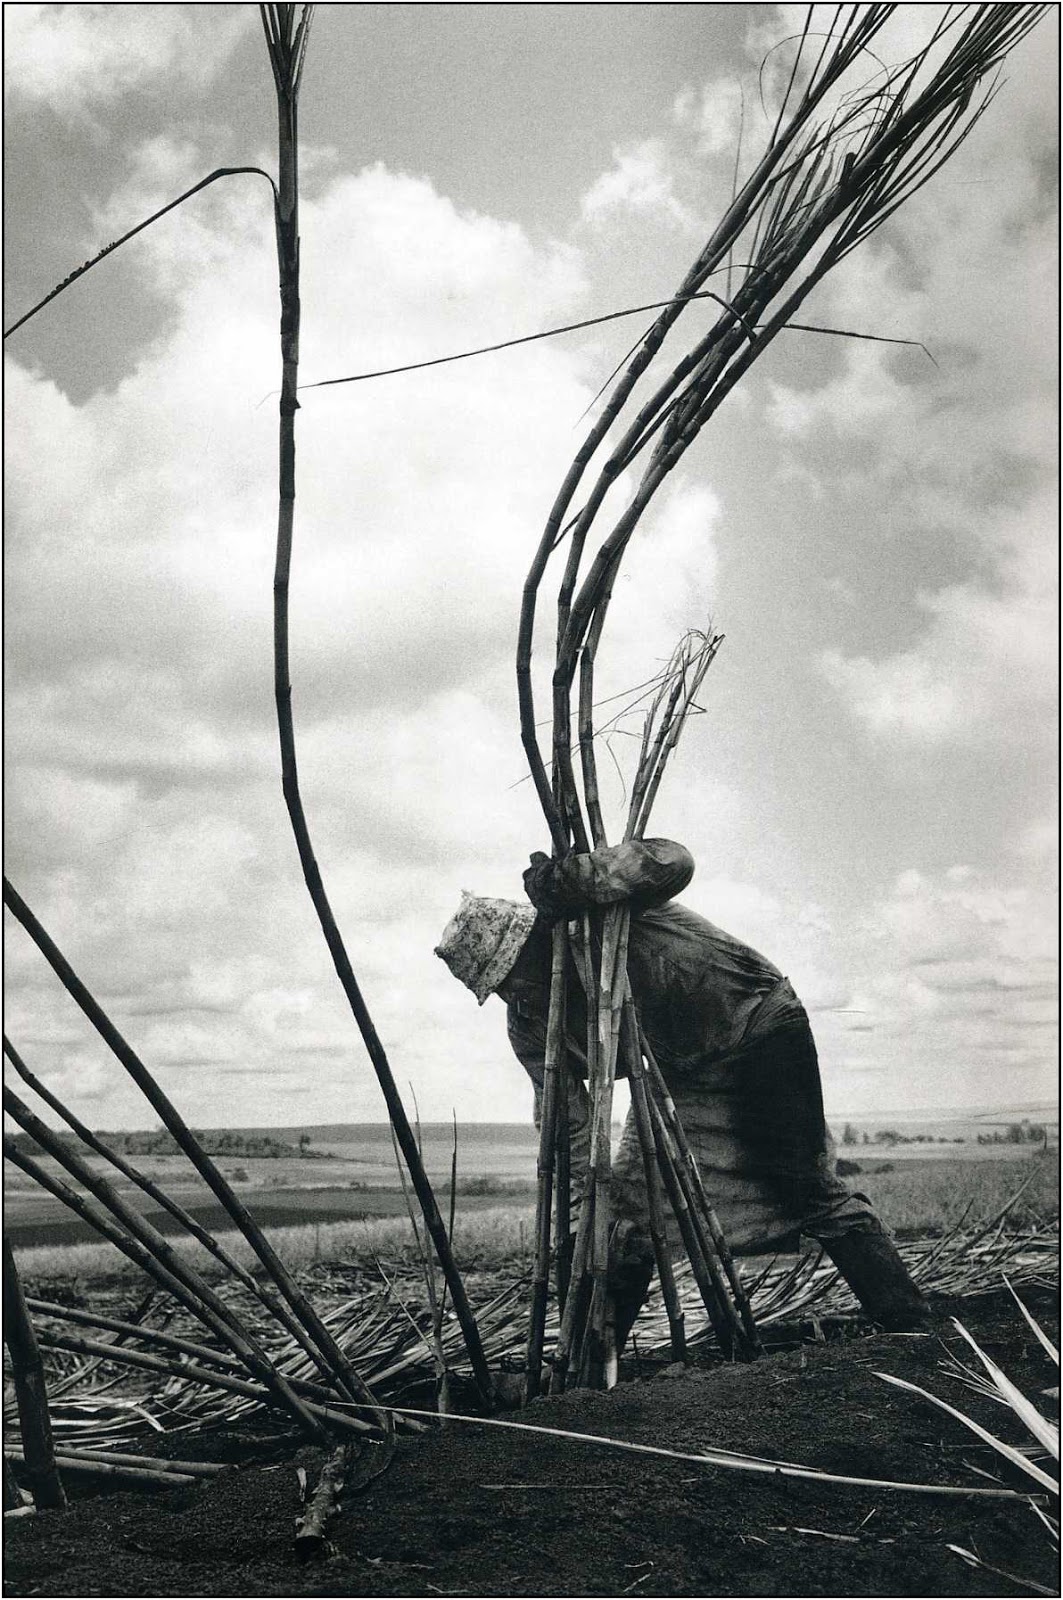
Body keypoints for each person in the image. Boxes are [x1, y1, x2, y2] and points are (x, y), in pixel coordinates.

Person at [435, 838, 930, 1350]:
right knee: (626, 1213)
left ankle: (908, 1324)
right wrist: (589, 1204)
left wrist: (583, 878)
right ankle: (590, 1367)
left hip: (759, 1027)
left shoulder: (602, 916)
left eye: (512, 976)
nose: (512, 994)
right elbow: (569, 1123)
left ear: (533, 943)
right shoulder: (532, 1024)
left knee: (802, 1184)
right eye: (497, 989)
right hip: (682, 1078)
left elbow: (675, 860)